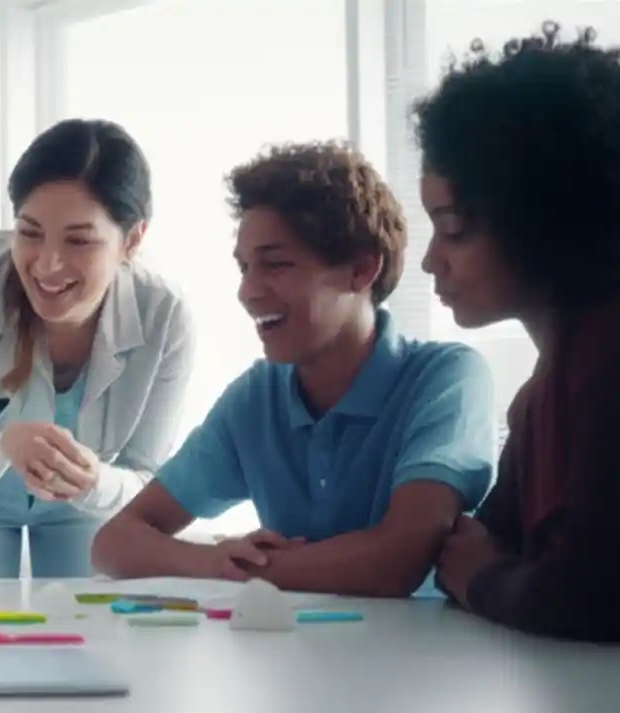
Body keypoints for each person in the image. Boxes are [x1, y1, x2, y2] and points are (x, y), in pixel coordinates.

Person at [92, 141, 497, 597]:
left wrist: (248, 569)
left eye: (275, 265)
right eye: (244, 268)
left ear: (360, 270)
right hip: (296, 656)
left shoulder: (446, 379)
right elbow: (113, 543)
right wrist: (214, 559)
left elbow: (396, 561)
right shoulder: (257, 397)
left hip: (431, 660)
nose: (247, 292)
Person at [0, 119, 195, 579]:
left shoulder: (165, 314)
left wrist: (94, 479)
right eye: (30, 232)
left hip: (89, 502)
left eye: (79, 240)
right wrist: (4, 445)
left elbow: (149, 485)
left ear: (133, 239)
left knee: (90, 641)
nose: (47, 264)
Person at [418, 22, 620, 641]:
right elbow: (480, 544)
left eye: (454, 229)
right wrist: (492, 571)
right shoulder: (544, 391)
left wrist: (486, 578)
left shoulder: (608, 369)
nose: (431, 261)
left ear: (543, 219)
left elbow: (584, 595)